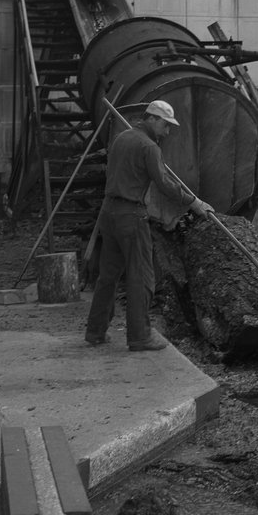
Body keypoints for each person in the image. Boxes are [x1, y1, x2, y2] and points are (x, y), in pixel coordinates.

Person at [84, 99, 214, 351]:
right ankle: (140, 336)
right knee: (141, 276)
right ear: (152, 118)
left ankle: (95, 331)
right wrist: (194, 202)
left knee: (108, 276)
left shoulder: (121, 139)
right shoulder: (148, 147)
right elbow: (164, 184)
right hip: (131, 216)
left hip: (109, 213)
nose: (167, 131)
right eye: (166, 125)